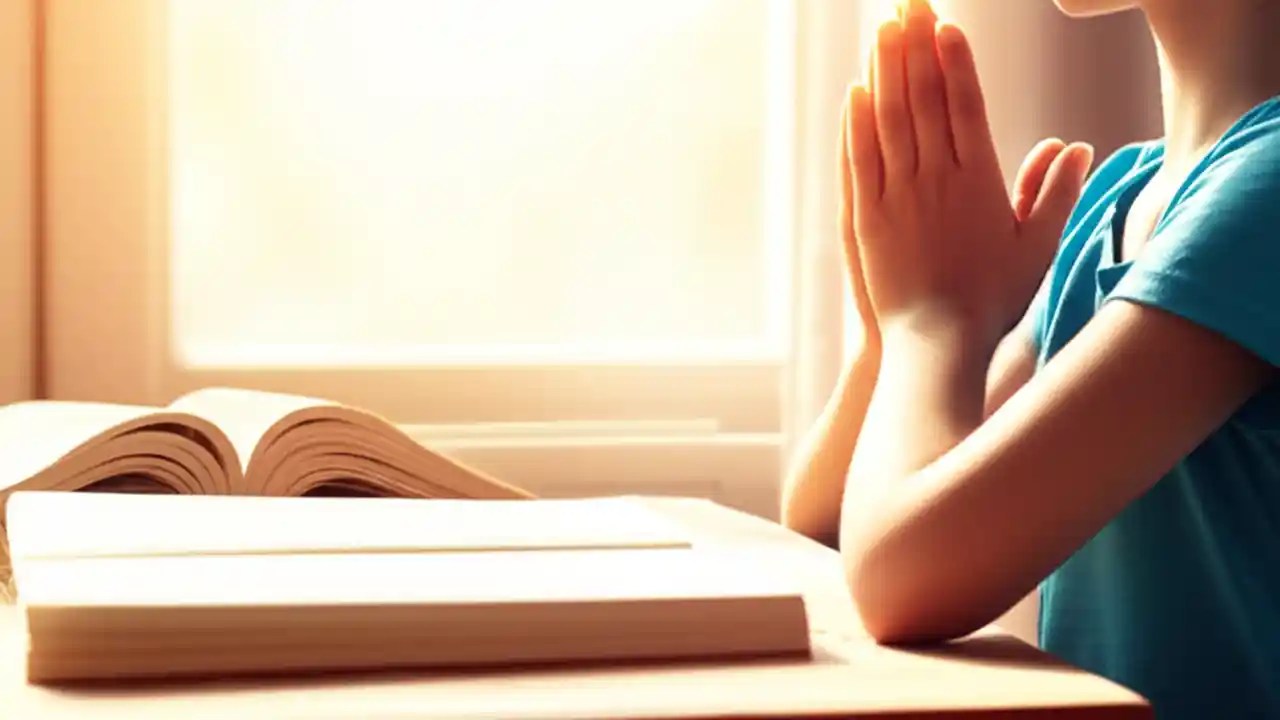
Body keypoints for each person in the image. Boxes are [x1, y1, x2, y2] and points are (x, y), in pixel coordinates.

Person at [781, 0, 1280, 716]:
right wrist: (888, 338)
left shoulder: (1268, 198)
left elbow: (903, 575)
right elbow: (828, 529)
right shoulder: (1120, 195)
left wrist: (930, 321)